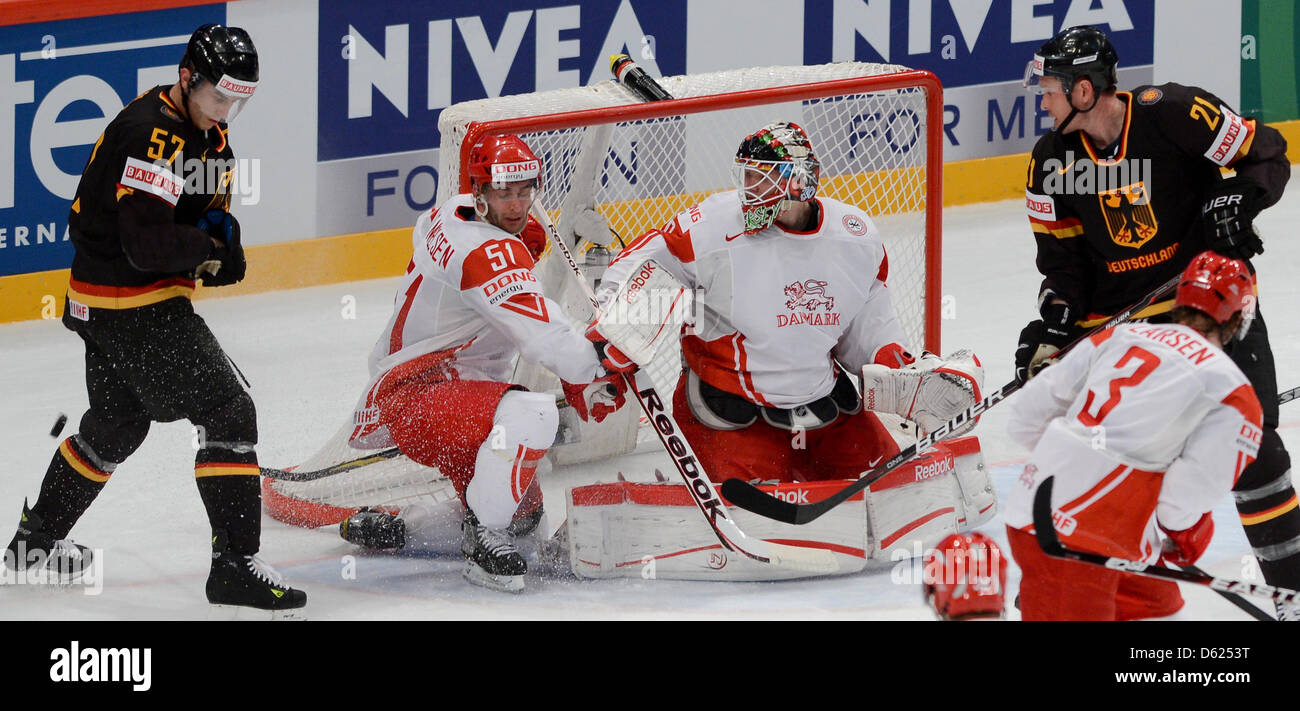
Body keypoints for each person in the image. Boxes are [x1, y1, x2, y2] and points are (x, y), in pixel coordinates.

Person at [0, 25, 307, 617]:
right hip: (131, 305)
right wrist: (205, 249)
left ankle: (33, 546)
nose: (229, 111)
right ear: (187, 78)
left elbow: (190, 225)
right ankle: (234, 567)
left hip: (102, 303)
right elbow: (145, 245)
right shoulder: (155, 135)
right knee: (228, 408)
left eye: (239, 100)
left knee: (116, 425)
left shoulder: (207, 139)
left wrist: (217, 245)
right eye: (220, 96)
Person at [1016, 25, 1298, 619]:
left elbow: (1268, 151)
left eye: (1051, 88)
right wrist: (1054, 326)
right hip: (1121, 328)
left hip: (1208, 307)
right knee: (1111, 454)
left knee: (1257, 452)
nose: (1043, 100)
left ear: (1085, 91)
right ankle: (1093, 592)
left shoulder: (1174, 113)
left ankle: (1293, 593)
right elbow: (1062, 265)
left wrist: (1240, 200)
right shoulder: (1050, 163)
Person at [587, 121, 983, 485]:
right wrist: (612, 333)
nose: (748, 192)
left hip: (823, 402)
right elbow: (644, 262)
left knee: (889, 487)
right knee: (756, 506)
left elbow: (865, 320)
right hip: (727, 409)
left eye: (761, 180)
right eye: (746, 178)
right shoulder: (713, 226)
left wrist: (899, 366)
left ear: (800, 182)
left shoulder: (855, 237)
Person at [338, 134, 628, 593]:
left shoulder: (449, 213)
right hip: (422, 397)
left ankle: (401, 528)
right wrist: (594, 369)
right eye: (503, 193)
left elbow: (515, 302)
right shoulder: (486, 252)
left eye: (524, 190)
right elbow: (541, 335)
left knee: (528, 530)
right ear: (481, 192)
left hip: (441, 395)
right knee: (534, 413)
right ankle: (482, 541)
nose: (516, 205)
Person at [1005, 252, 1263, 620]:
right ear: (1238, 318)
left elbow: (1024, 418)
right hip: (1077, 540)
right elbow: (1184, 498)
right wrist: (1186, 536)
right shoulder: (1233, 391)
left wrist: (1076, 460)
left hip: (1049, 514)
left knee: (1156, 607)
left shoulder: (1119, 336)